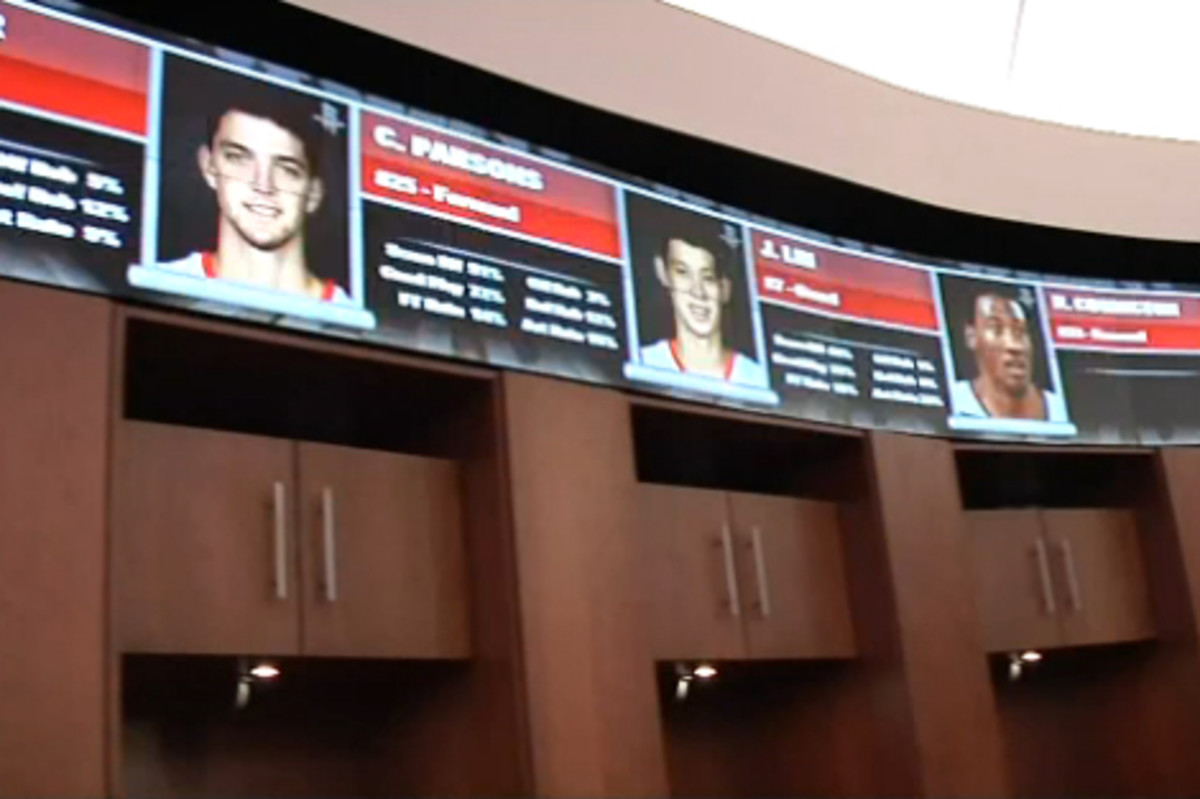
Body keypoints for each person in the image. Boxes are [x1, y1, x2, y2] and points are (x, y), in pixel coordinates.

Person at [158, 100, 350, 303]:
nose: (263, 186)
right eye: (239, 158)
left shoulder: (352, 320)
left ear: (314, 192)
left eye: (287, 169)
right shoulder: (160, 285)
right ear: (209, 166)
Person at [639, 229, 767, 385]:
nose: (698, 292)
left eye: (708, 278)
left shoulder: (757, 378)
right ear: (663, 273)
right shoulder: (644, 362)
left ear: (725, 288)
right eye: (682, 272)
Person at [949, 291, 1068, 422]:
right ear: (971, 336)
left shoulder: (1061, 408)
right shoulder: (952, 401)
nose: (1015, 346)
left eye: (1020, 331)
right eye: (996, 329)